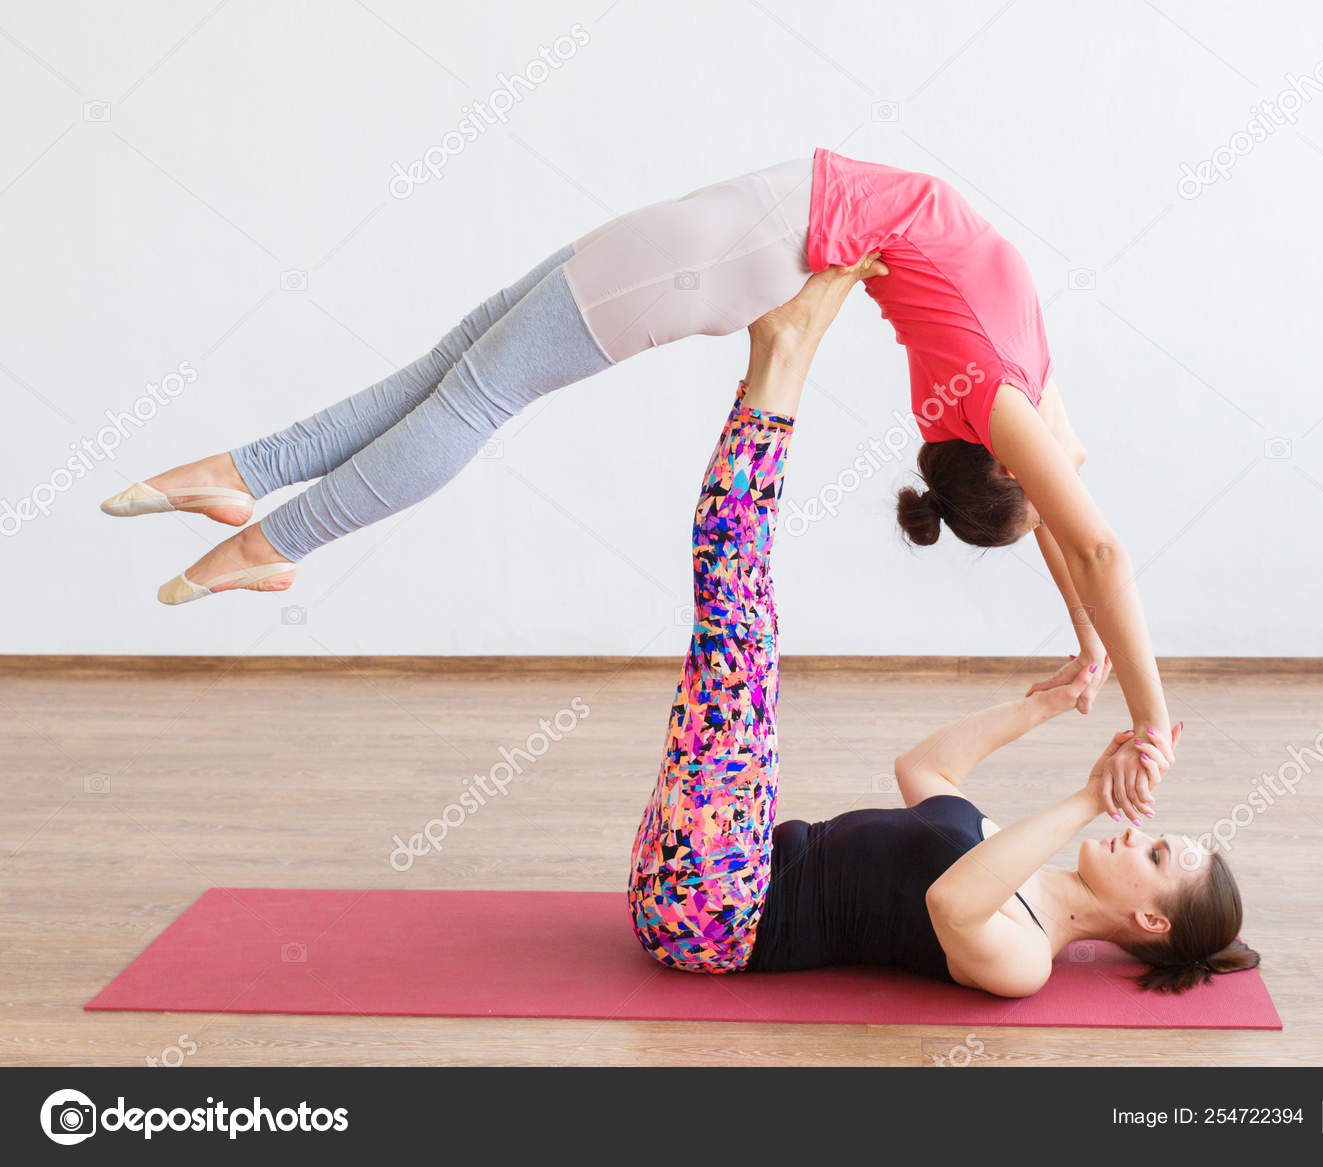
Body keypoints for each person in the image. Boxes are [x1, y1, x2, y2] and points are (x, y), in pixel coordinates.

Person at [103, 148, 1176, 820]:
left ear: (996, 464)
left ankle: (267, 545)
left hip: (740, 246)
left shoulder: (985, 395)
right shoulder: (1017, 399)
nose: (1054, 473)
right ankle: (236, 478)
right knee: (458, 363)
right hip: (738, 228)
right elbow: (1069, 517)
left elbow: (1092, 546)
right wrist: (1086, 648)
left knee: (479, 395)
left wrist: (1150, 718)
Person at [628, 259, 1258, 996]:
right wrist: (1050, 701)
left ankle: (784, 351)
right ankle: (782, 351)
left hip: (718, 908)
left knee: (742, 626)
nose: (1136, 834)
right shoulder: (1002, 849)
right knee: (741, 620)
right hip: (728, 858)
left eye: (1153, 857)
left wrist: (1094, 794)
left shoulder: (1026, 956)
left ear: (1151, 922)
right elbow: (923, 770)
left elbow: (949, 902)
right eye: (1153, 837)